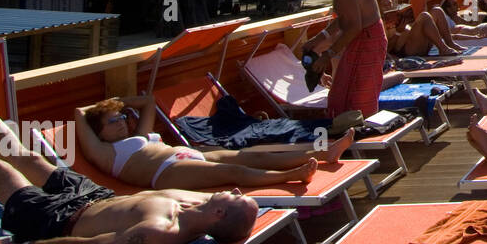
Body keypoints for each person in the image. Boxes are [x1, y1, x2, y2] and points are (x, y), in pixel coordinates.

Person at [0, 60, 260, 244]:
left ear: (219, 214)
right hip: (95, 196)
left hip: (58, 222)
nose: (235, 191)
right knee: (33, 158)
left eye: (235, 198)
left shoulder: (158, 232)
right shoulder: (198, 203)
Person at [74, 96, 356, 190]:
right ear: (99, 131)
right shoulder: (104, 152)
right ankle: (289, 176)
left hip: (185, 155)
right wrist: (102, 106)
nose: (121, 121)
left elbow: (148, 100)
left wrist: (117, 102)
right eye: (113, 121)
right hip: (165, 174)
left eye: (122, 117)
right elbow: (78, 113)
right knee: (232, 174)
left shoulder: (139, 136)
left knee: (252, 155)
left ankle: (324, 152)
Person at [301, 0, 388, 119]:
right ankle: (351, 135)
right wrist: (318, 38)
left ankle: (359, 136)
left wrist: (327, 55)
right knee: (342, 92)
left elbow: (354, 27)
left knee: (356, 95)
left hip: (367, 39)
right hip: (365, 37)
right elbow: (344, 18)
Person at [384, 1, 465, 57]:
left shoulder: (395, 16)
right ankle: (443, 48)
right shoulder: (380, 23)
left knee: (437, 10)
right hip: (404, 52)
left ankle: (450, 43)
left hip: (413, 41)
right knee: (424, 16)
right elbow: (387, 50)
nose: (388, 6)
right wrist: (398, 32)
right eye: (384, 5)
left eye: (389, 3)